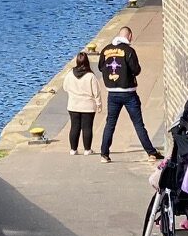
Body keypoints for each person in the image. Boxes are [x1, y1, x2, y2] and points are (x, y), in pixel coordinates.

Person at [98, 26, 163, 162]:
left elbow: (100, 67)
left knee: (110, 123)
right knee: (138, 124)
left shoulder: (105, 50)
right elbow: (136, 70)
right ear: (130, 36)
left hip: (112, 93)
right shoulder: (129, 51)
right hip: (128, 93)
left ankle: (104, 154)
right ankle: (151, 153)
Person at [64, 51, 103, 155]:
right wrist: (99, 105)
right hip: (88, 106)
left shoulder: (70, 74)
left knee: (74, 127)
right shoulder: (90, 76)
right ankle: (87, 149)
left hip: (73, 105)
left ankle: (73, 149)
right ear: (87, 62)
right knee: (87, 127)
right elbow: (96, 92)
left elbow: (65, 87)